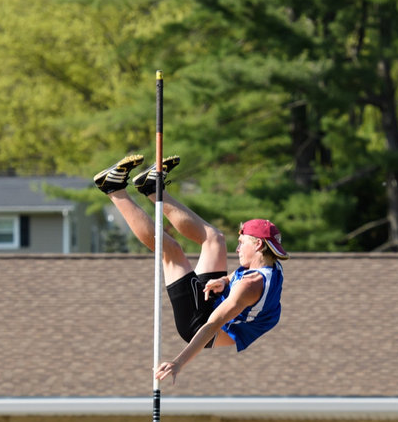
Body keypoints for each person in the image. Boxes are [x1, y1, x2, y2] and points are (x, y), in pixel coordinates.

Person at [93, 154, 287, 383]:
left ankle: (114, 189)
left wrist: (178, 363)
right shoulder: (271, 266)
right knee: (215, 239)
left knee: (172, 251)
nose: (237, 249)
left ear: (258, 244)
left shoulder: (248, 287)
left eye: (242, 242)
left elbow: (212, 325)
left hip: (199, 324)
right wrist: (225, 280)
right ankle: (153, 188)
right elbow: (242, 274)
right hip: (215, 302)